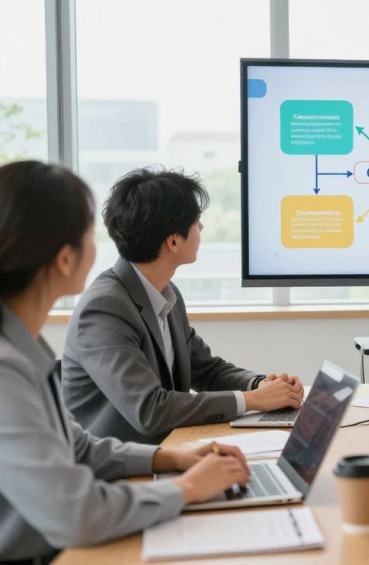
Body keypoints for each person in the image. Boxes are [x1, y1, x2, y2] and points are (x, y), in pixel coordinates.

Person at [0, 161, 251, 564]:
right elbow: (75, 512)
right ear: (65, 259)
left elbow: (77, 448)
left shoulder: (23, 350)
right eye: (88, 233)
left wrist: (172, 459)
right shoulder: (8, 367)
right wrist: (186, 489)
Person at [61, 167, 303, 445]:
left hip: (168, 451)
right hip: (119, 470)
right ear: (173, 241)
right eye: (196, 221)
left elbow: (206, 370)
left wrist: (260, 385)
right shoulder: (105, 308)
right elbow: (149, 410)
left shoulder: (165, 293)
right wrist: (251, 400)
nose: (201, 228)